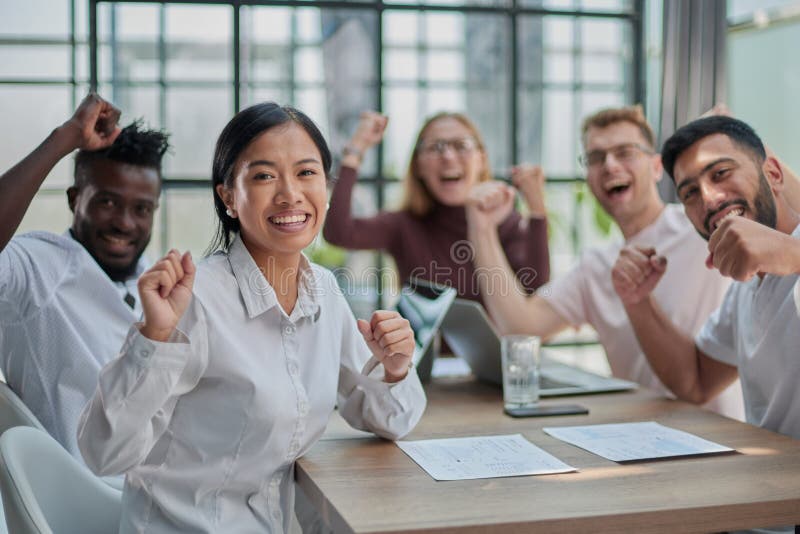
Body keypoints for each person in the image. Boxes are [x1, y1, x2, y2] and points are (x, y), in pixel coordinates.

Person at [77, 102, 427, 533]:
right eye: (263, 176)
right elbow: (104, 453)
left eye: (306, 172)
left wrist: (394, 369)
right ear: (228, 197)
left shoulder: (324, 292)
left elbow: (392, 419)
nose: (290, 194)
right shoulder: (196, 299)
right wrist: (154, 337)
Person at [467, 105, 744, 419]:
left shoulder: (703, 228)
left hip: (721, 436)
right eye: (596, 158)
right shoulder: (596, 266)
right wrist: (481, 229)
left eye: (625, 152)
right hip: (637, 440)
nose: (610, 165)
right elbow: (521, 326)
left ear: (656, 168)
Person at [0, 93, 170, 459]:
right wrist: (64, 138)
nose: (125, 223)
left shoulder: (155, 281)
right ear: (75, 198)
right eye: (107, 202)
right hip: (75, 500)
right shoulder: (39, 267)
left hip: (148, 490)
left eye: (141, 209)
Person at [611, 115, 800, 442]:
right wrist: (638, 301)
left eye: (721, 174)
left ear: (772, 174)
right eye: (690, 193)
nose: (709, 199)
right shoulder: (744, 289)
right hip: (771, 479)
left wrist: (793, 253)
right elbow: (695, 381)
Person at [322, 111, 550, 300]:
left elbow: (535, 294)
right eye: (435, 147)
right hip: (422, 355)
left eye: (461, 145)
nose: (449, 156)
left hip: (492, 355)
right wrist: (355, 151)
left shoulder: (506, 223)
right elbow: (338, 232)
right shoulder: (403, 225)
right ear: (418, 166)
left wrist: (537, 209)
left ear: (481, 160)